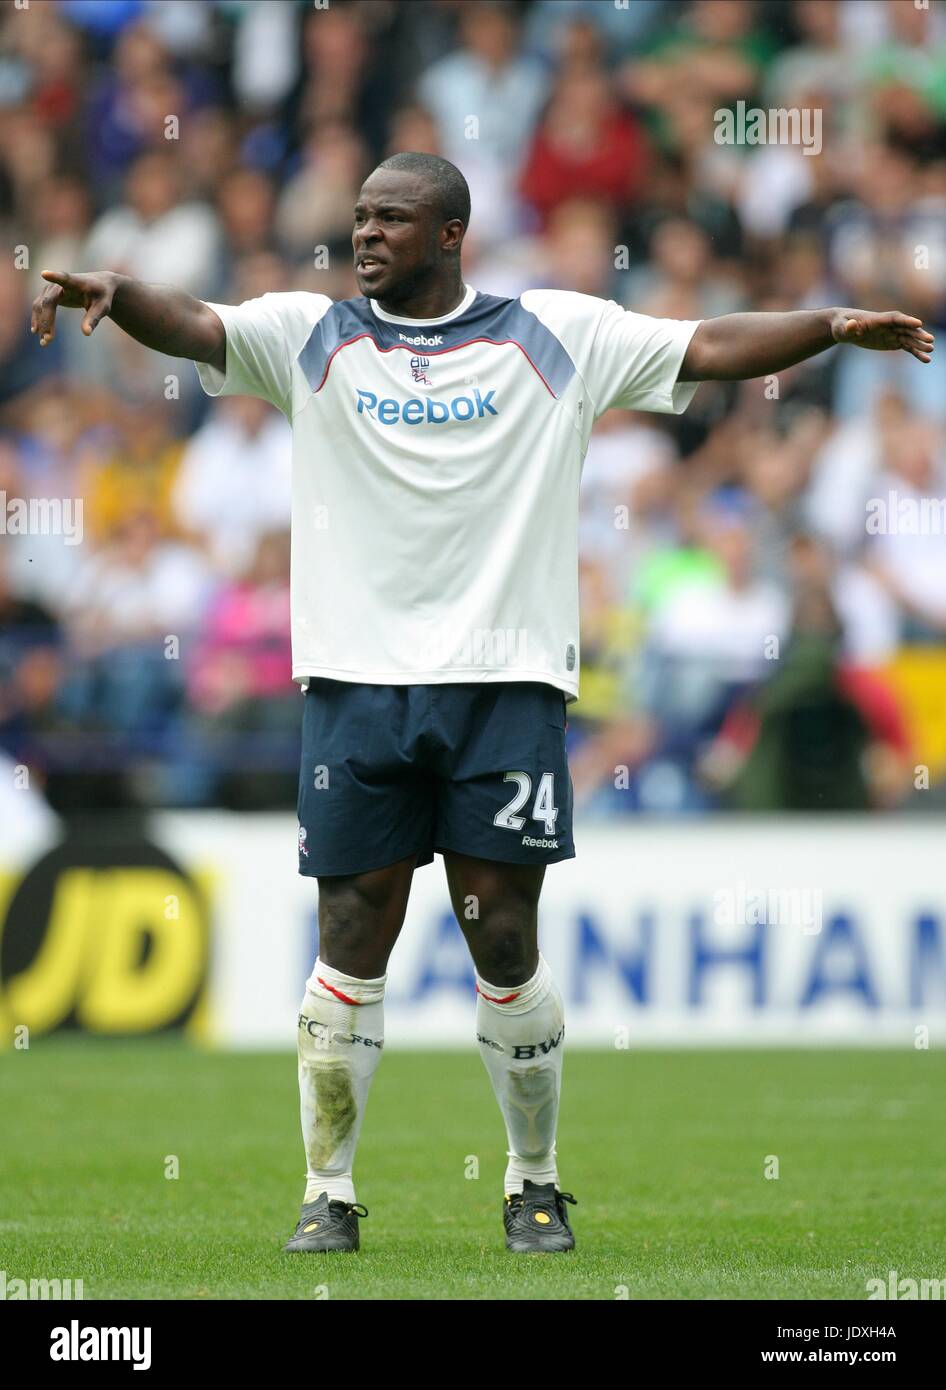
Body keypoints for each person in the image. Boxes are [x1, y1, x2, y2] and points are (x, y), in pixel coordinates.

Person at [31, 150, 934, 1256]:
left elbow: (703, 345)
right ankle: (329, 1190)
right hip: (357, 684)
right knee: (352, 929)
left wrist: (831, 324)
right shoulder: (311, 336)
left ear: (450, 233)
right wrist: (122, 297)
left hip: (504, 682)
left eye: (391, 219)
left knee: (501, 933)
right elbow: (199, 325)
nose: (365, 235)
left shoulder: (554, 331)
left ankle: (533, 1179)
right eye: (360, 217)